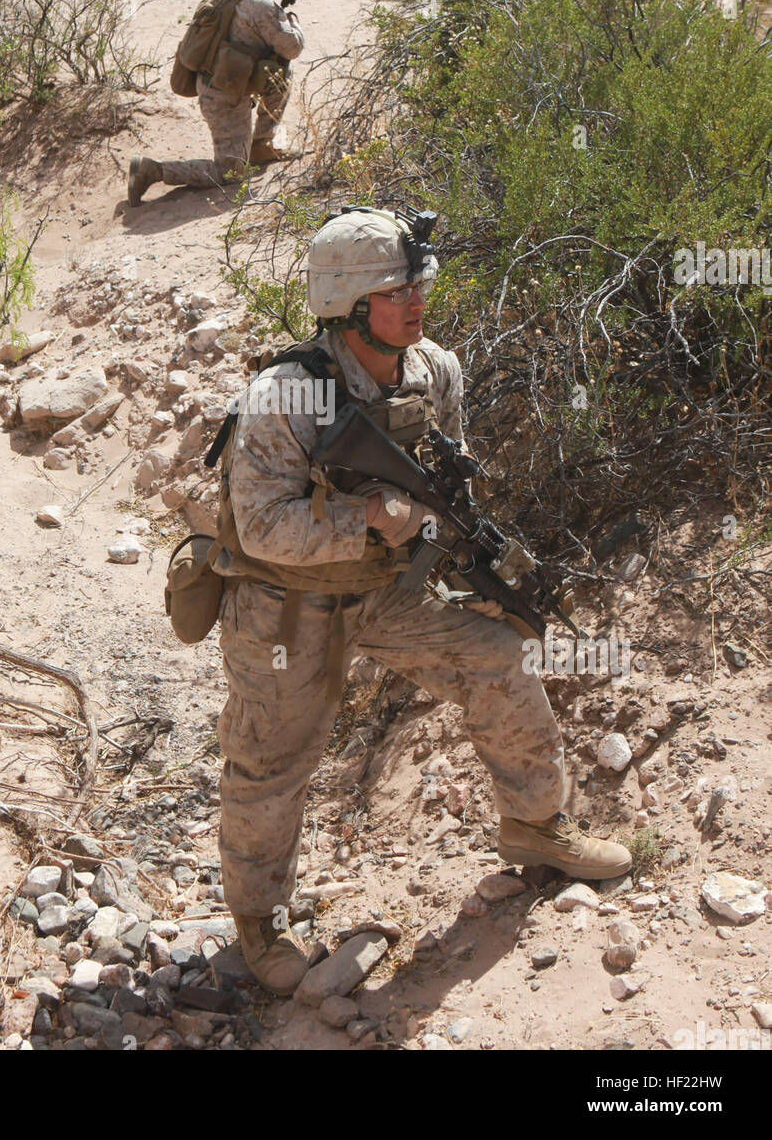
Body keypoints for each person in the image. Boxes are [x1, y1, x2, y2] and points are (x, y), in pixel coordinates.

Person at [207, 206, 632, 995]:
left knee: (499, 658)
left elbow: (441, 475)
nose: (415, 303)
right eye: (396, 290)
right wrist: (364, 517)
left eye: (417, 286)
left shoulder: (434, 369)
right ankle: (259, 922)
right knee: (270, 761)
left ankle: (536, 825)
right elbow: (260, 527)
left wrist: (460, 545)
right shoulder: (284, 397)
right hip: (283, 608)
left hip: (380, 594)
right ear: (349, 302)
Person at [126, 0, 354, 206]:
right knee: (231, 172)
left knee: (280, 76)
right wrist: (293, 21)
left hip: (224, 80)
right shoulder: (261, 5)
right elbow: (292, 47)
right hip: (224, 96)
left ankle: (260, 145)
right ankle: (153, 170)